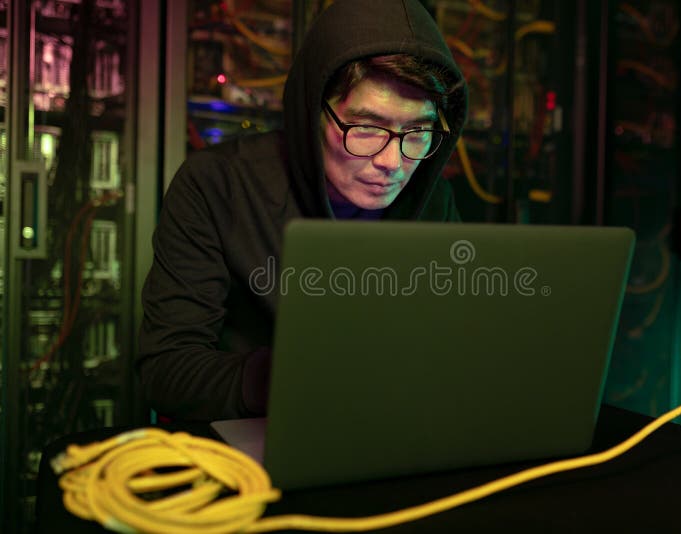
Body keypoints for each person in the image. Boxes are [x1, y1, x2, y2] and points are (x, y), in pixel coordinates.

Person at [136, 0, 468, 421]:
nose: (392, 161)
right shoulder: (217, 186)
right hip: (252, 442)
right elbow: (166, 371)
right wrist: (290, 376)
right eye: (366, 128)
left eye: (417, 132)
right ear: (312, 111)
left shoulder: (434, 199)